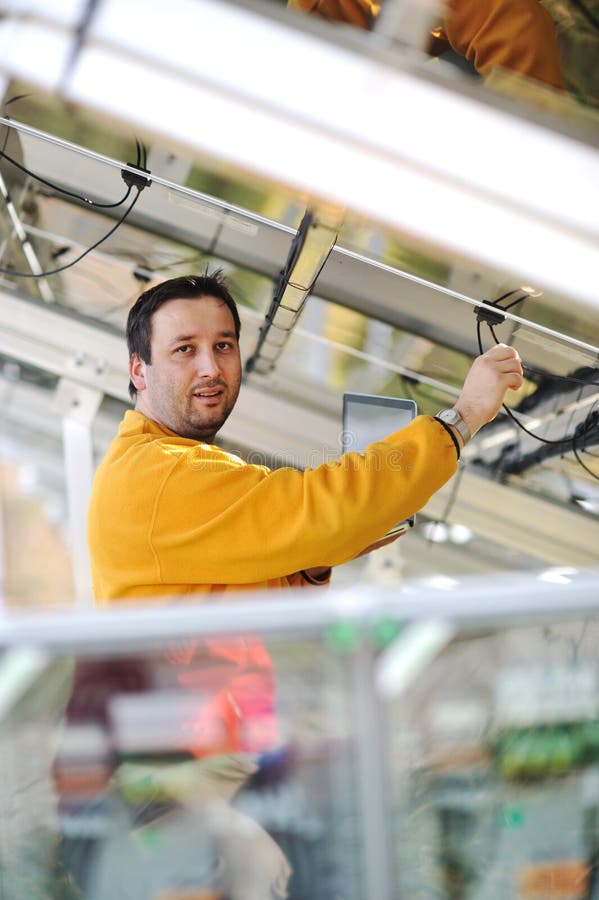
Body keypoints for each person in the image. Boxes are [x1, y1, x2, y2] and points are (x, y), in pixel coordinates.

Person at [86, 270, 522, 899]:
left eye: (225, 345)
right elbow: (323, 507)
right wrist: (462, 417)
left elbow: (282, 560)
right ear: (138, 370)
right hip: (189, 793)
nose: (210, 366)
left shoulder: (182, 466)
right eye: (184, 349)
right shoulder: (157, 477)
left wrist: (312, 561)